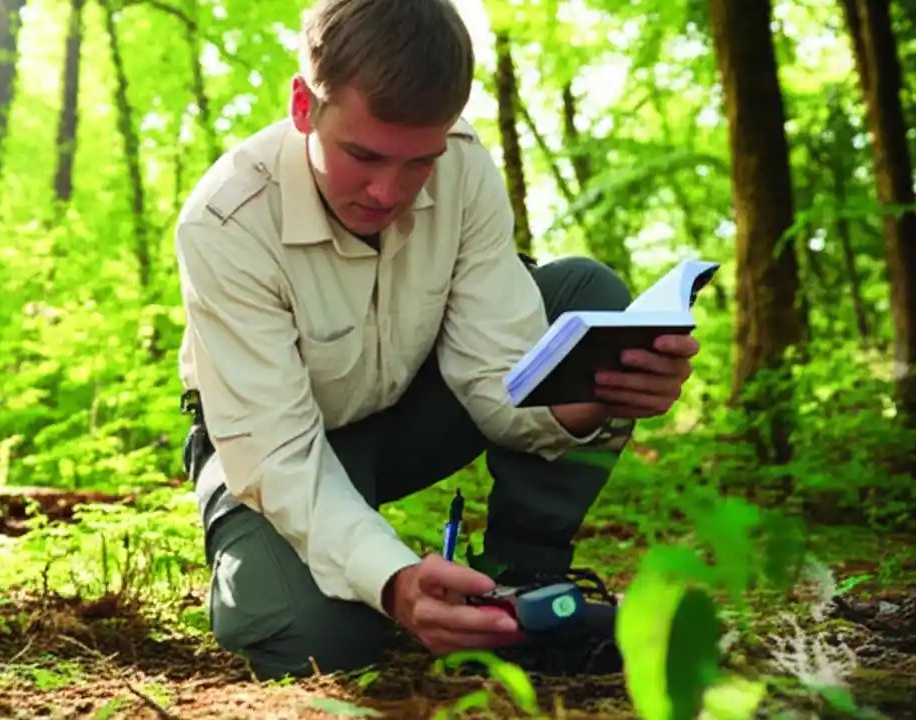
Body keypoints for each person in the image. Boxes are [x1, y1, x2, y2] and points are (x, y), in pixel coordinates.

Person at [173, 0, 699, 681]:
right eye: (362, 155)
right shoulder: (226, 223)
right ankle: (274, 574)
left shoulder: (463, 166)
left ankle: (517, 587)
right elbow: (276, 455)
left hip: (411, 410)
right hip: (272, 448)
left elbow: (496, 371)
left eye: (419, 162)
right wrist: (394, 581)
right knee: (316, 643)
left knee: (586, 297)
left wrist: (591, 403)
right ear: (303, 105)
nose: (388, 190)